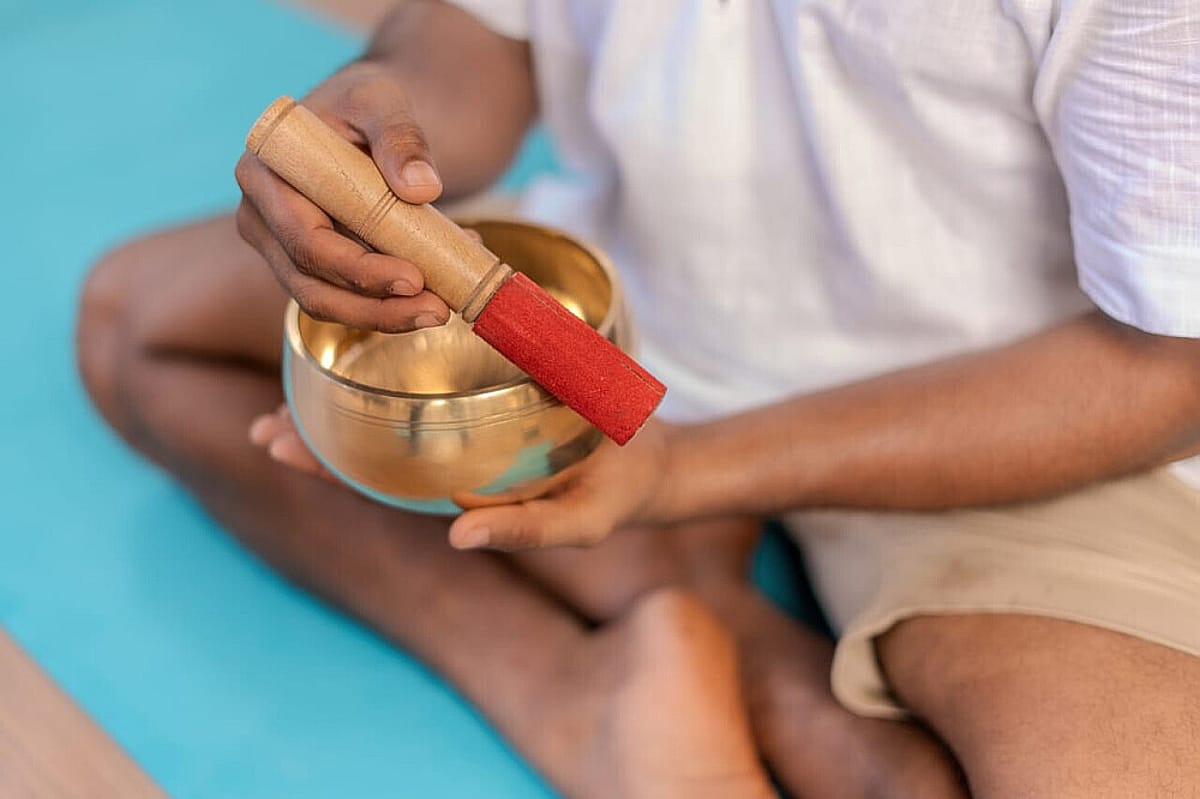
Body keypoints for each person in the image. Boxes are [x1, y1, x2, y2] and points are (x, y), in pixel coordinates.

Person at [78, 1, 1200, 796]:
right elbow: (480, 37)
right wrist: (384, 128)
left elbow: (1169, 368)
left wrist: (683, 468)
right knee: (135, 325)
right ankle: (578, 689)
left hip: (998, 407)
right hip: (627, 297)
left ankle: (711, 626)